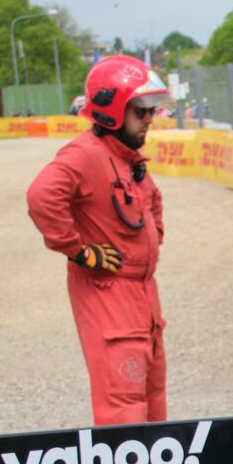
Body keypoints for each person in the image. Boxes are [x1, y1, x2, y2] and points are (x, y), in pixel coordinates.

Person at [25, 55, 169, 424]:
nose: (150, 119)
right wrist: (79, 251)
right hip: (109, 293)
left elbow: (150, 198)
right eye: (141, 111)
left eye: (151, 111)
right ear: (114, 112)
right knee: (124, 405)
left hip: (140, 293)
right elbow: (42, 196)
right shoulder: (86, 155)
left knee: (152, 399)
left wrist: (154, 237)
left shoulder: (124, 158)